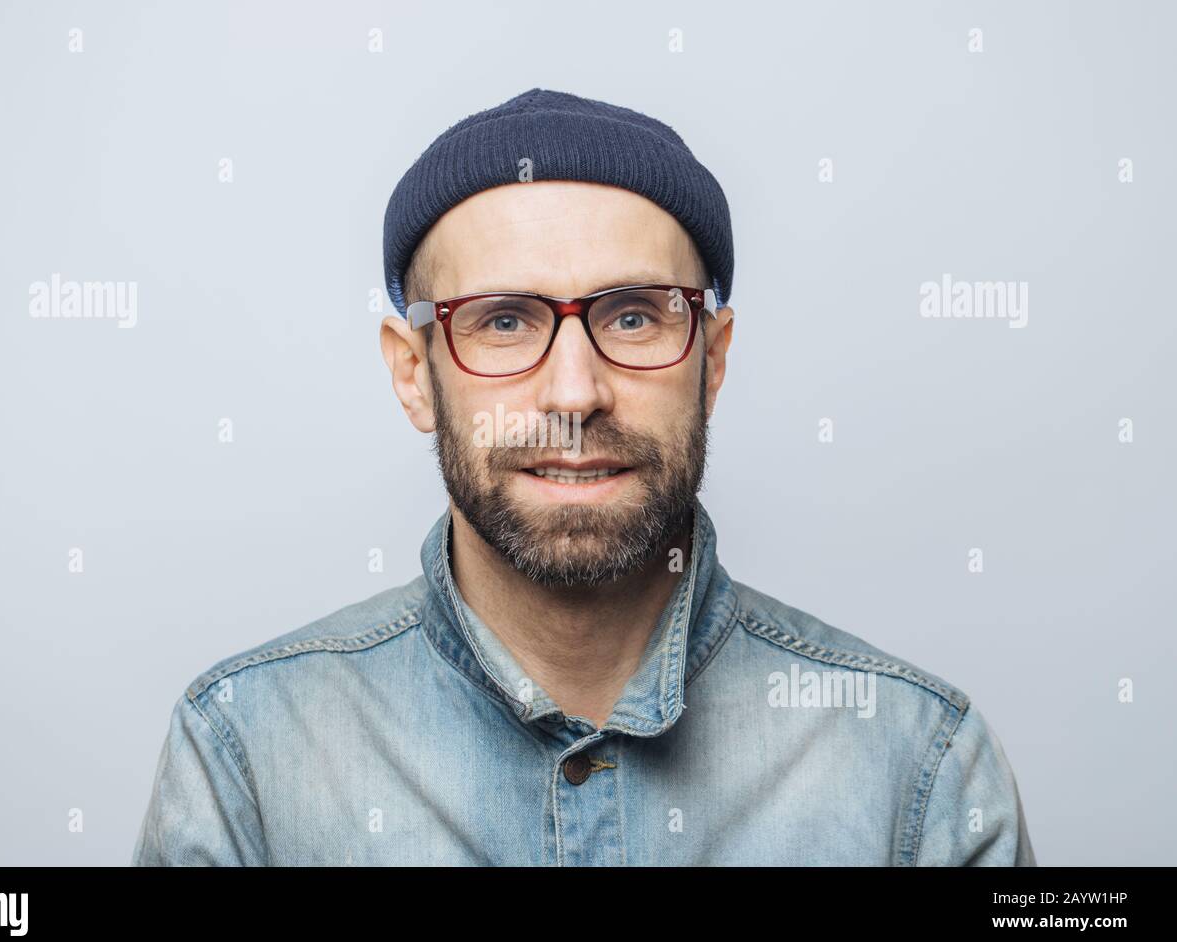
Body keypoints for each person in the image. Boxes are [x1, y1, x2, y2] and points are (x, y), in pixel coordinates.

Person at [132, 88, 1035, 866]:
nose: (575, 393)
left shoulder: (918, 765)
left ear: (711, 363)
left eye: (636, 317)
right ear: (415, 373)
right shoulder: (246, 751)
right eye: (504, 321)